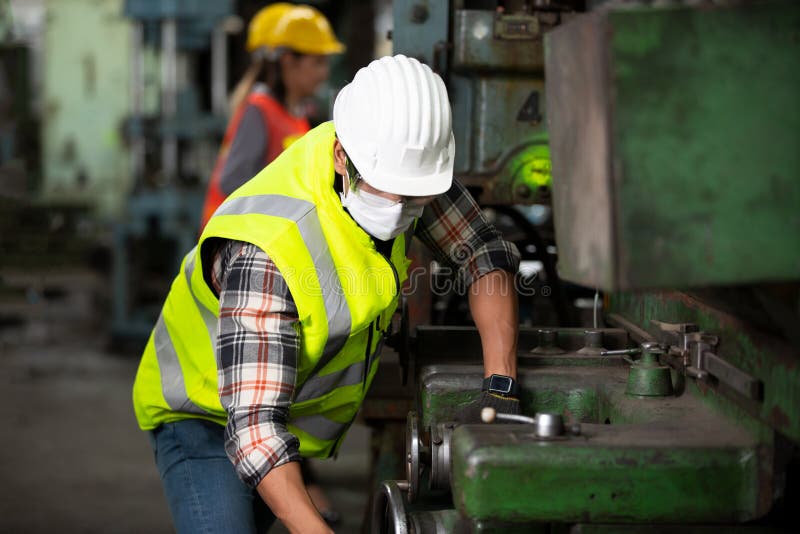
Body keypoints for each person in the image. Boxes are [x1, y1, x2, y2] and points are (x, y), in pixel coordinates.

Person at [133, 55, 522, 533]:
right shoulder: (270, 250)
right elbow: (255, 432)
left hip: (284, 411)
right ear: (342, 157)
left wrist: (500, 388)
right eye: (390, 194)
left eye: (414, 197)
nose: (402, 211)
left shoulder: (400, 165)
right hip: (203, 413)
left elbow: (483, 253)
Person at [199, 3, 344, 231]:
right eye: (317, 63)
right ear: (288, 60)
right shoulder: (259, 111)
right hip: (233, 241)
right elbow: (233, 181)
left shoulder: (296, 115)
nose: (324, 73)